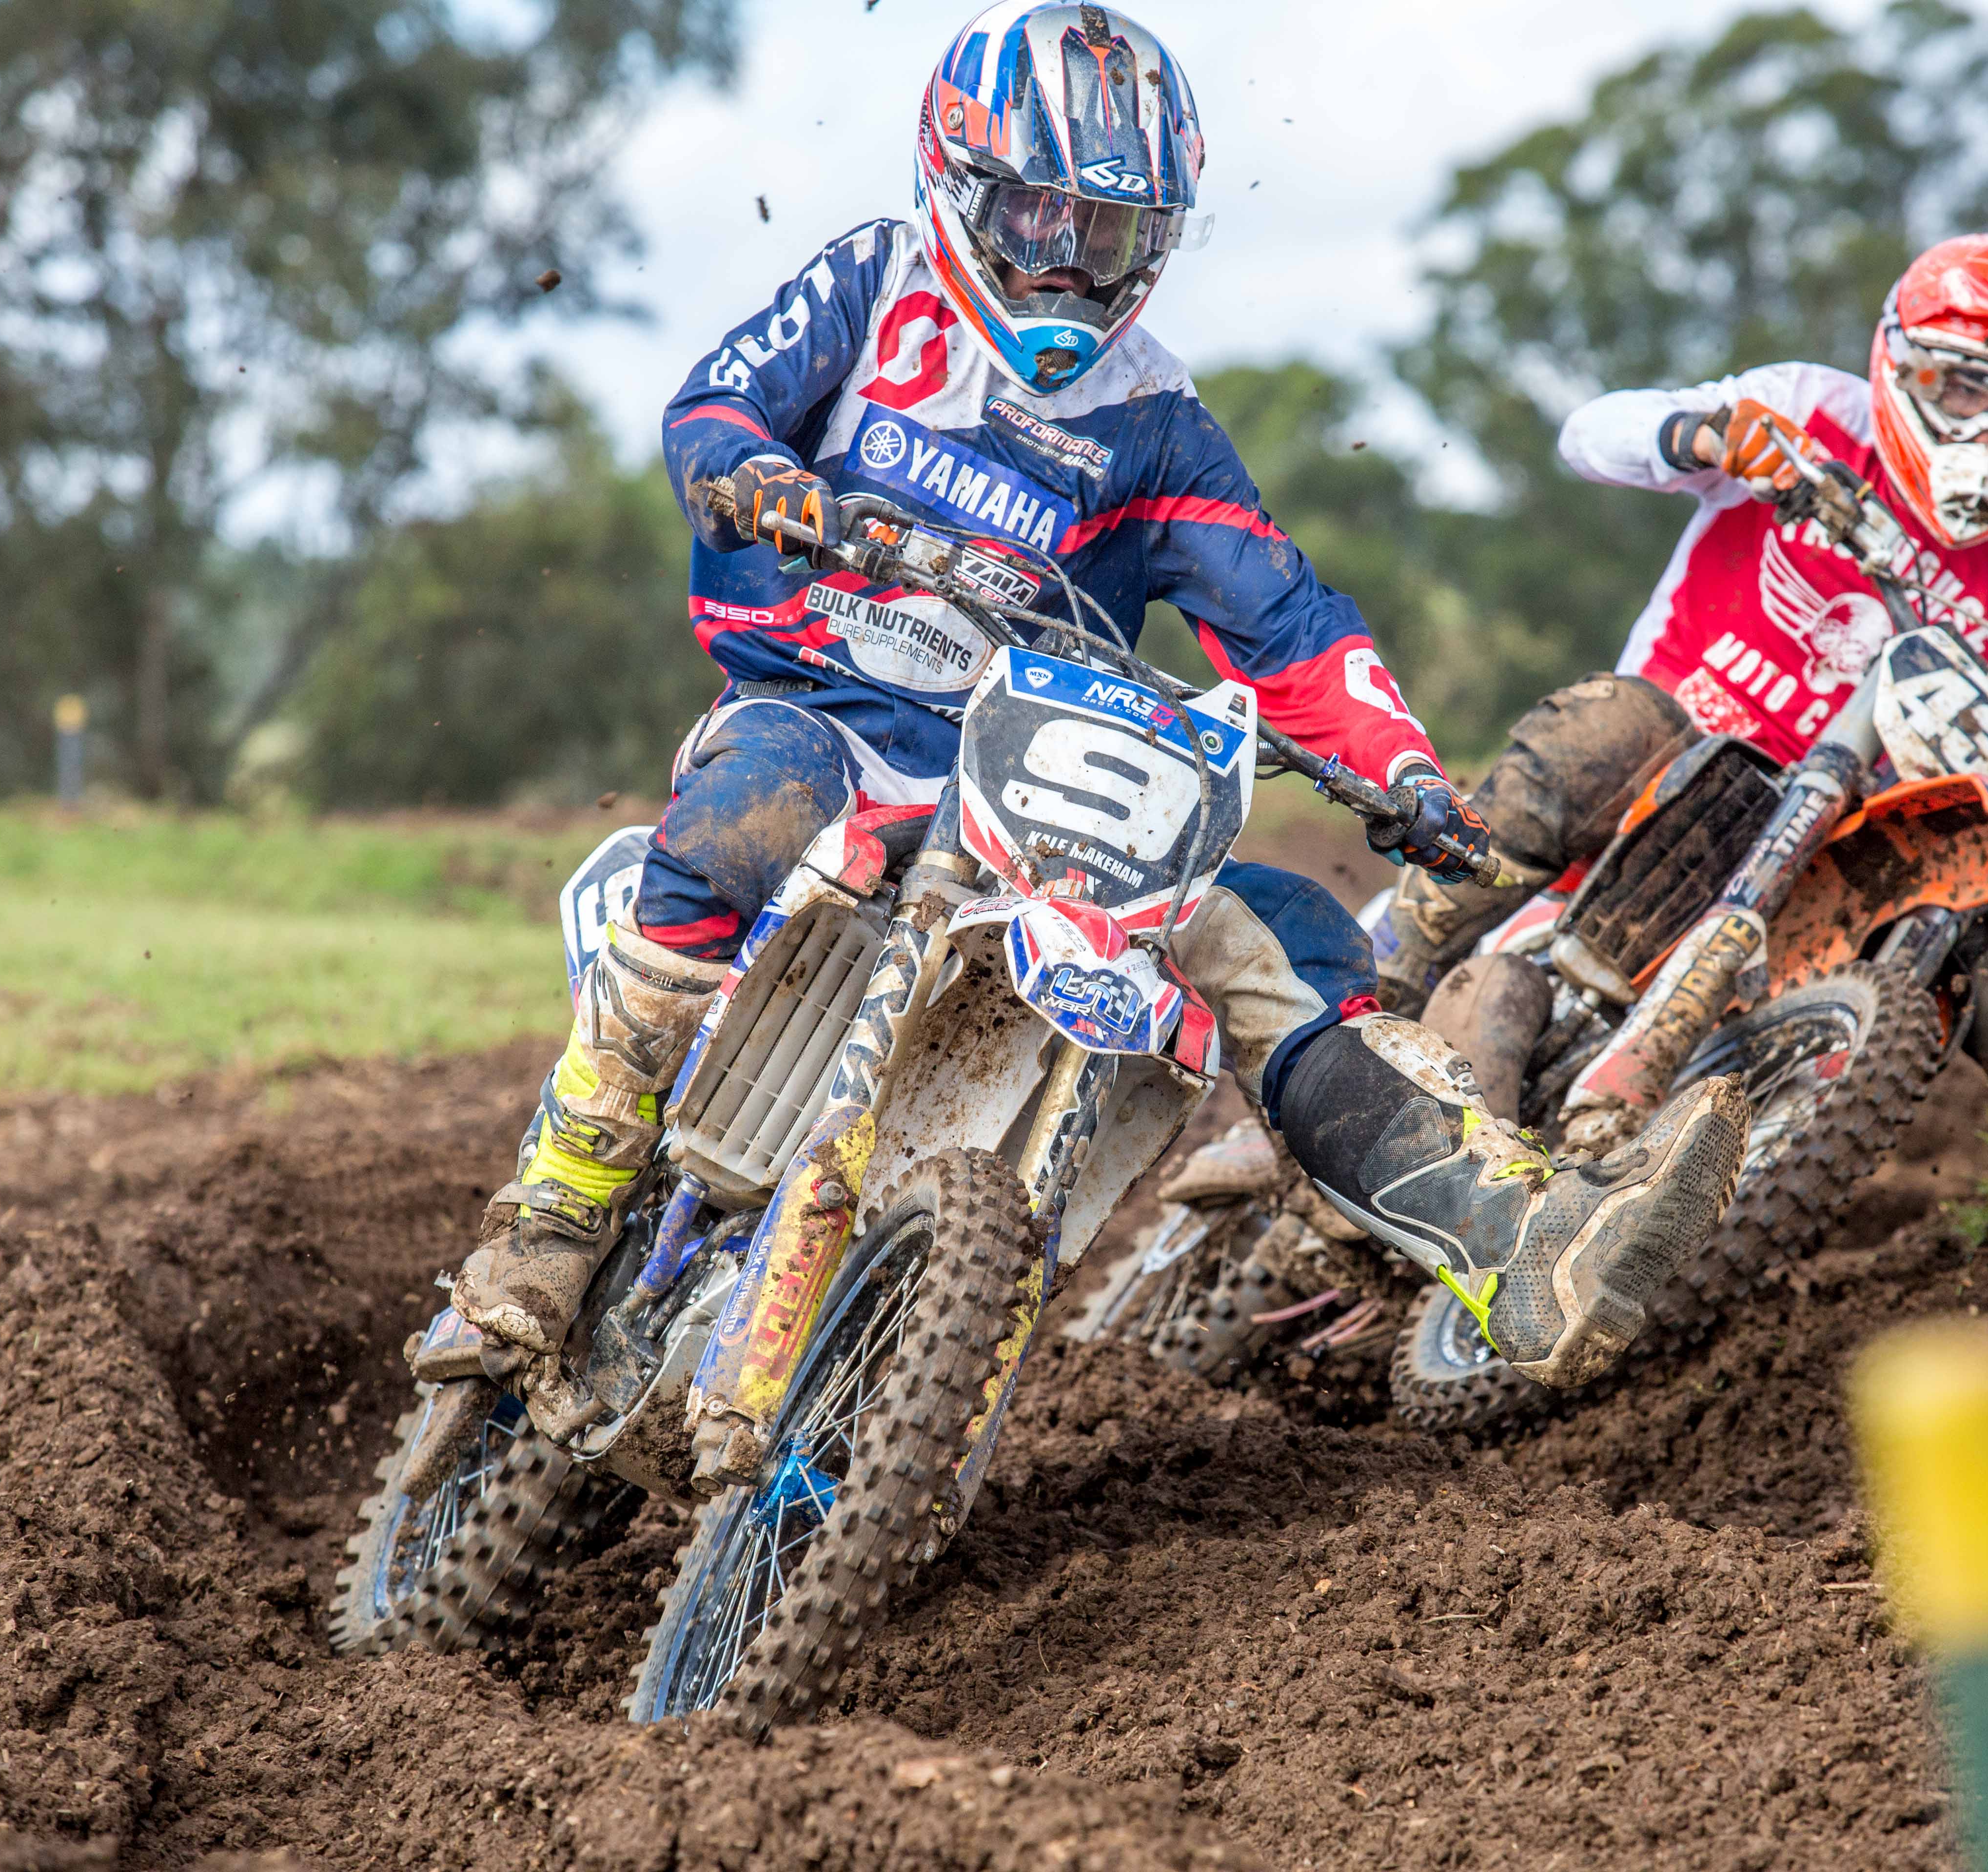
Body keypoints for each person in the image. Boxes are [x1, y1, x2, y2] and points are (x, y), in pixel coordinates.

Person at [445, 2, 1748, 1393]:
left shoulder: (1160, 422)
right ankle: (560, 1210)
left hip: (1030, 781)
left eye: (1111, 236)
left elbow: (1287, 623)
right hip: (820, 708)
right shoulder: (877, 286)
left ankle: (1520, 1245)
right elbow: (717, 404)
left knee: (1291, 943)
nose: (1070, 268)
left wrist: (1410, 778)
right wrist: (750, 473)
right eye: (1042, 221)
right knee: (743, 818)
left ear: (1161, 240)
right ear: (959, 182)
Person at [1378, 234, 1988, 1177]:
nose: (1986, 435)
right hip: (1650, 800)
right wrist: (1702, 434)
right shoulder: (1809, 411)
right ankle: (1375, 989)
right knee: (1607, 726)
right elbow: (1590, 436)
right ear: (1903, 365)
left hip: (1823, 892)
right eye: (1962, 390)